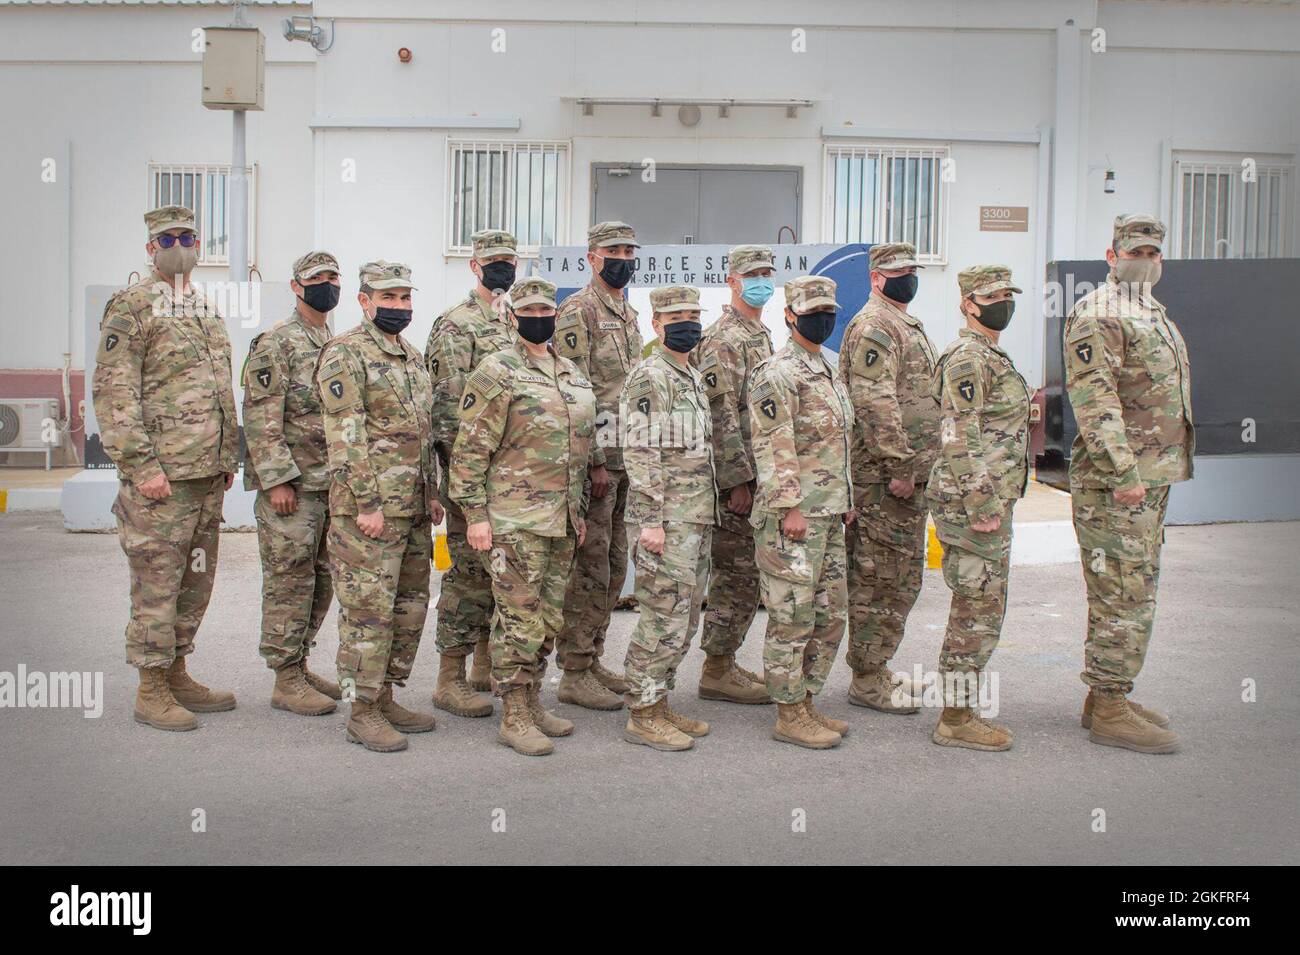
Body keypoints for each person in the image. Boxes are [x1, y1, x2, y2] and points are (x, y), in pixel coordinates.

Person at [92, 204, 238, 732]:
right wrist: (140, 465)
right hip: (161, 479)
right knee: (157, 582)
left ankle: (177, 671)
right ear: (151, 248)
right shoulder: (131, 307)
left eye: (188, 237)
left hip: (205, 476)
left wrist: (226, 458)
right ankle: (150, 688)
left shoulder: (202, 307)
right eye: (169, 238)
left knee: (195, 582)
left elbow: (219, 389)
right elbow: (114, 392)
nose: (180, 246)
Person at [451, 277, 597, 757]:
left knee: (549, 615)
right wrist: (475, 514)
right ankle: (512, 712)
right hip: (514, 520)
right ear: (512, 316)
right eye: (530, 310)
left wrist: (578, 512)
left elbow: (581, 447)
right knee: (517, 617)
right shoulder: (498, 370)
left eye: (547, 309)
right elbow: (471, 448)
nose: (540, 317)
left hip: (561, 519)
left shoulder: (571, 373)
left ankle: (534, 699)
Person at [1065, 214, 1191, 755]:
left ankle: (1105, 693)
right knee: (1123, 589)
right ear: (1112, 256)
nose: (1147, 259)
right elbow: (1096, 401)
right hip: (1121, 484)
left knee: (1130, 585)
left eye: (1154, 252)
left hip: (1150, 477)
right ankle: (1111, 708)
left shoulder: (1148, 309)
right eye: (1136, 250)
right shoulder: (1099, 312)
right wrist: (1123, 473)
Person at [316, 261, 442, 753]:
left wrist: (431, 493)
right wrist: (367, 503)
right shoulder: (345, 353)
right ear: (364, 301)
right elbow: (345, 437)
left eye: (405, 298)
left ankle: (385, 694)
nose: (399, 306)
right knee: (368, 613)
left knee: (408, 608)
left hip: (410, 508)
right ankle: (361, 710)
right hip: (367, 513)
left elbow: (423, 433)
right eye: (388, 298)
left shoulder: (410, 356)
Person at [748, 275, 856, 750]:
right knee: (792, 615)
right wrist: (789, 505)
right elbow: (774, 444)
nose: (823, 317)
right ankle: (789, 712)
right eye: (813, 310)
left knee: (831, 613)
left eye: (829, 309)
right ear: (790, 314)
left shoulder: (827, 367)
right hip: (794, 517)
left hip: (829, 512)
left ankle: (808, 699)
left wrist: (846, 498)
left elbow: (838, 441)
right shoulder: (777, 372)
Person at [927, 266, 1032, 751]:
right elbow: (956, 432)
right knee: (976, 606)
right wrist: (981, 501)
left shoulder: (989, 353)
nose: (1003, 302)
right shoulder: (968, 357)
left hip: (985, 501)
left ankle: (960, 708)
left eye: (1008, 294)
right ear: (969, 303)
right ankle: (957, 716)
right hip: (972, 505)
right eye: (993, 295)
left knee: (983, 602)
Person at [242, 250, 343, 716]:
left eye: (333, 277)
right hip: (294, 489)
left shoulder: (331, 339)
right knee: (289, 581)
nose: (327, 284)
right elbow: (261, 417)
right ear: (296, 287)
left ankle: (299, 663)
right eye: (317, 278)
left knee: (321, 581)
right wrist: (277, 481)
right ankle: (284, 677)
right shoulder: (276, 342)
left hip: (329, 486)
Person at [424, 229, 520, 719]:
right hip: (472, 476)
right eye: (495, 261)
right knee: (464, 575)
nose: (505, 267)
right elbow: (445, 411)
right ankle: (449, 677)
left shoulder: (515, 320)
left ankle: (484, 666)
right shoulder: (456, 326)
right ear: (475, 267)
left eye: (511, 259)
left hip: (513, 480)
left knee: (497, 574)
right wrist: (459, 485)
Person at [838, 242, 937, 713]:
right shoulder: (875, 325)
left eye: (913, 269)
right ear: (877, 277)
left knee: (902, 578)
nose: (909, 277)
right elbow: (874, 402)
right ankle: (866, 677)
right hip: (884, 479)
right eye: (900, 271)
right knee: (880, 578)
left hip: (907, 478)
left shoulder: (901, 322)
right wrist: (899, 466)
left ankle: (876, 666)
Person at [621, 286, 718, 750]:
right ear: (657, 325)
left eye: (694, 314)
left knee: (683, 619)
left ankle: (659, 703)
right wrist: (650, 521)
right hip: (666, 520)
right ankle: (642, 713)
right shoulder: (650, 376)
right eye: (677, 315)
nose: (688, 322)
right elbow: (639, 451)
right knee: (661, 617)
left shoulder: (691, 376)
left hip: (694, 517)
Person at [552, 221, 642, 709]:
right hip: (598, 465)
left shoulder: (627, 312)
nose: (623, 258)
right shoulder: (578, 312)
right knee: (589, 566)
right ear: (591, 257)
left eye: (629, 250)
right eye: (614, 250)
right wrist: (595, 464)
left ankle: (592, 655)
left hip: (627, 459)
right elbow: (575, 392)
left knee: (613, 563)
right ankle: (573, 668)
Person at [689, 244, 775, 705]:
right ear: (732, 280)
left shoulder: (759, 335)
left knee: (748, 575)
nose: (762, 280)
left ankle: (725, 661)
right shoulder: (725, 339)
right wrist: (737, 479)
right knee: (735, 575)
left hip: (763, 474)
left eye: (767, 272)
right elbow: (720, 413)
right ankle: (717, 668)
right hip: (738, 482)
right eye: (752, 273)